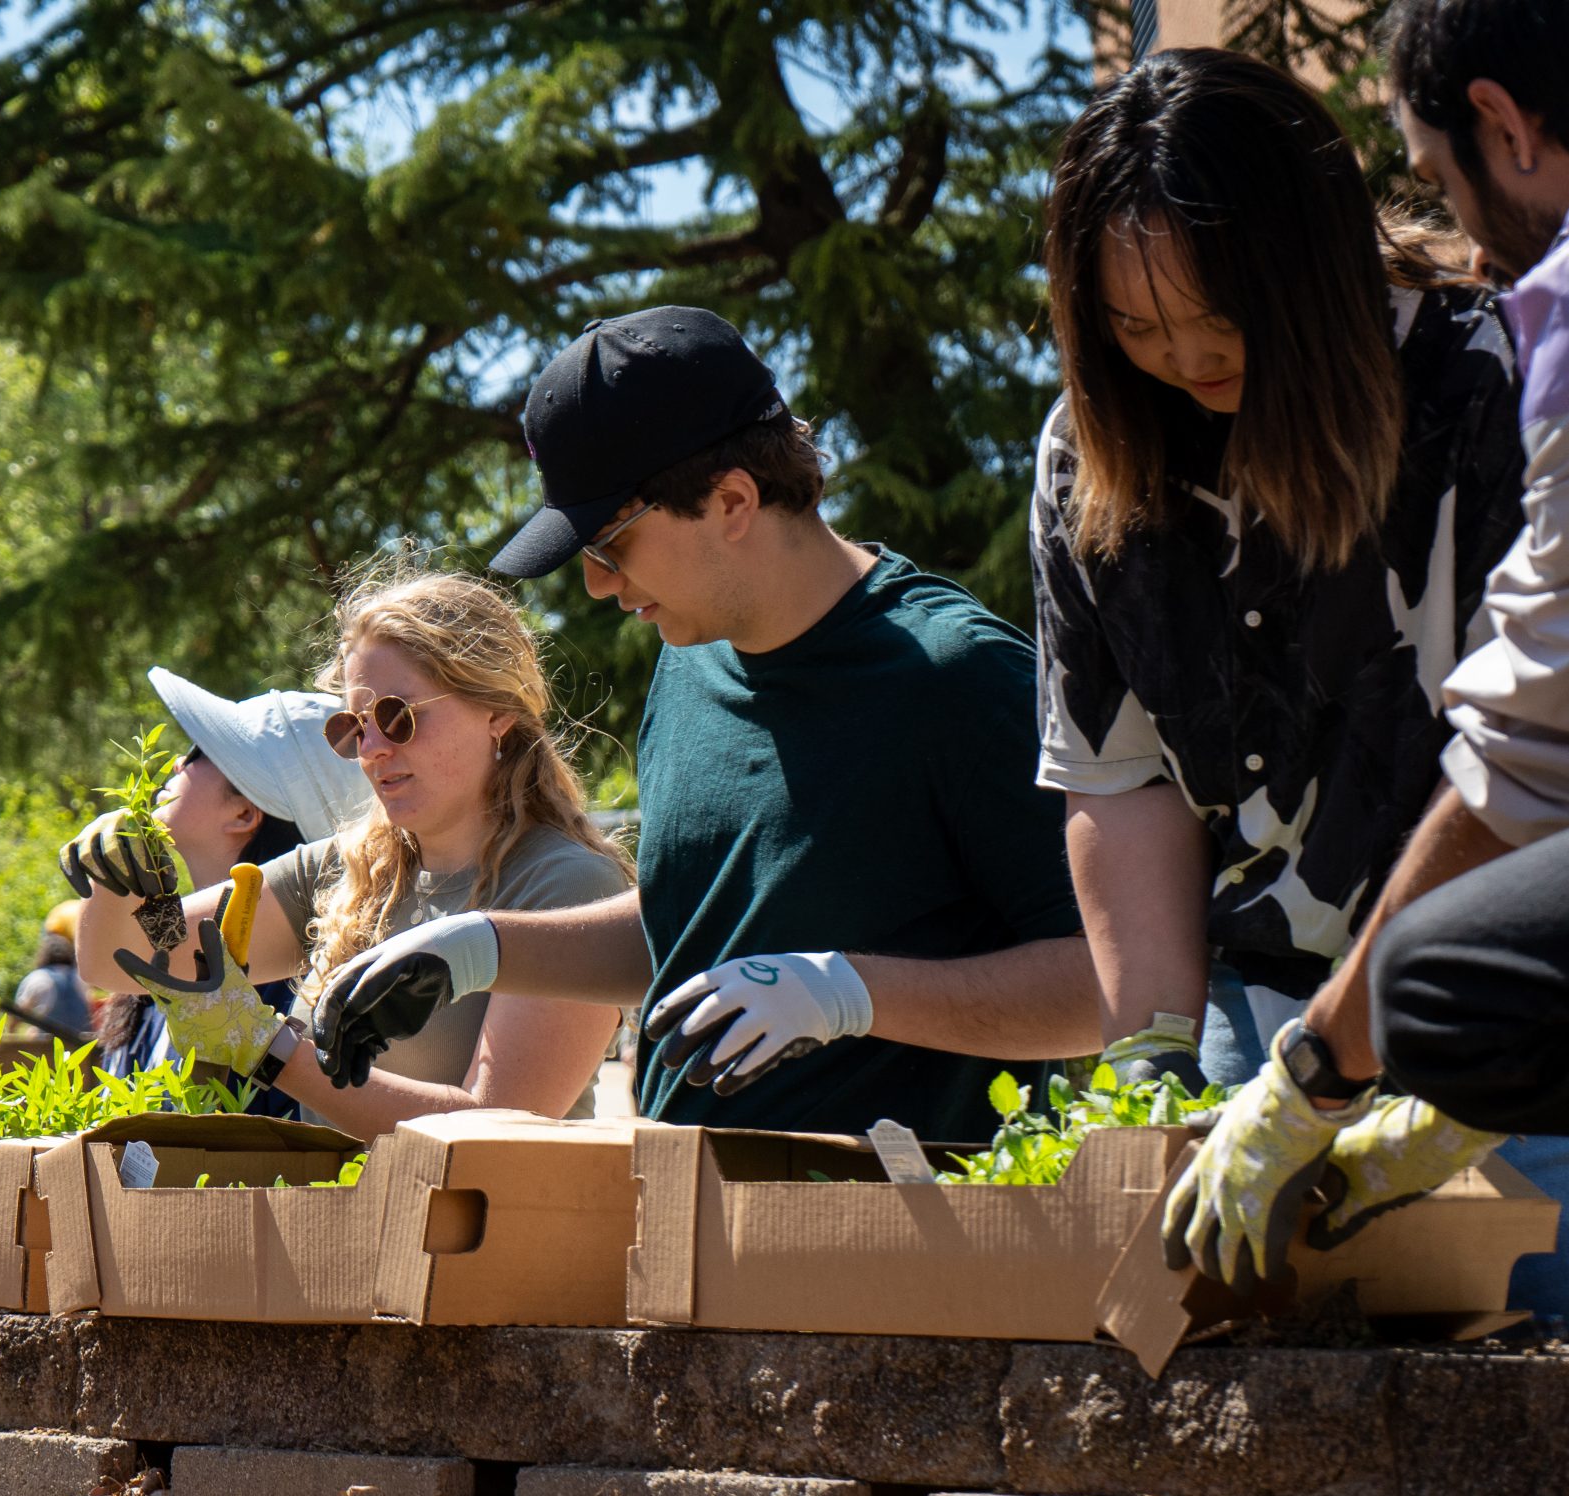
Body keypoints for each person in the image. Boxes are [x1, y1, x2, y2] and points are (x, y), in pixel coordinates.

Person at [1166, 0, 1569, 1334]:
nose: (1456, 221)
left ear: (1504, 124)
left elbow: (1542, 758)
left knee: (1443, 978)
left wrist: (1321, 1069)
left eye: (1441, 177)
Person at [311, 310, 1098, 1145]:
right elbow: (687, 924)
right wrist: (479, 945)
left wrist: (849, 993)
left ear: (733, 500)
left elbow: (1102, 984)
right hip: (684, 1227)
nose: (595, 585)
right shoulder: (688, 663)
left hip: (896, 1249)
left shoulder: (959, 676)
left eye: (611, 543)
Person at [1030, 48, 1523, 1112]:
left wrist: (1352, 1053)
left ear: (1315, 265)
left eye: (1223, 315)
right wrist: (1148, 1057)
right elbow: (1119, 779)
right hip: (1253, 1011)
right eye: (1137, 328)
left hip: (1514, 1014)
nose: (1187, 358)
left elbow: (1533, 762)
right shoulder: (1084, 454)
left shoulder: (1489, 381)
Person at [65, 571, 632, 1141]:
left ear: (498, 711)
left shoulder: (569, 886)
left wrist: (270, 1049)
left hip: (488, 1229)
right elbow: (125, 958)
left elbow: (497, 1130)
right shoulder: (345, 869)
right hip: (344, 1228)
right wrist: (115, 872)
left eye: (397, 716)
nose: (373, 749)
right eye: (353, 728)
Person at [87, 668, 374, 1119]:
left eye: (198, 752)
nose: (177, 764)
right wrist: (112, 885)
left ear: (244, 813)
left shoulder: (303, 996)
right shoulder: (160, 962)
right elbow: (109, 960)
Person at [11, 902, 96, 1044]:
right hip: (80, 1046)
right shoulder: (80, 978)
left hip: (47, 1048)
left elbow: (17, 1016)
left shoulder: (37, 978)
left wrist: (13, 1034)